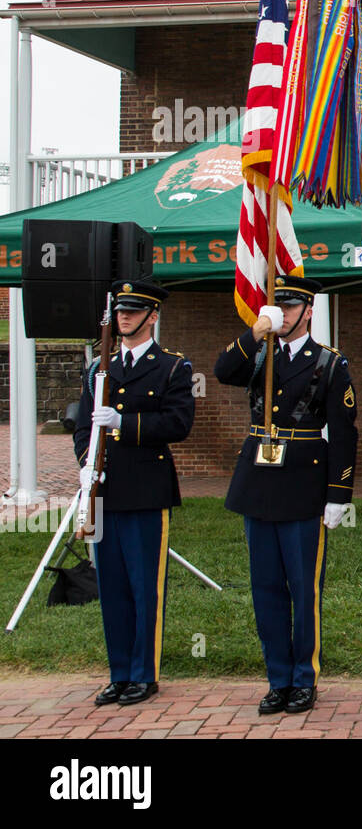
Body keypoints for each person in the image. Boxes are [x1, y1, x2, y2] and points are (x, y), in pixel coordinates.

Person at [214, 275, 358, 715]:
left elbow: (345, 434)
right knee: (265, 587)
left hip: (303, 484)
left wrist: (339, 493)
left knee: (303, 588)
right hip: (258, 483)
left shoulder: (329, 362)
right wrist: (257, 330)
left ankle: (303, 678)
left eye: (291, 307)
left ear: (309, 311)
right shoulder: (259, 352)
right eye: (278, 306)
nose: (283, 314)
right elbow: (223, 371)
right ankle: (277, 678)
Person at [74, 278, 195, 707]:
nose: (124, 318)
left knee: (144, 587)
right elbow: (82, 425)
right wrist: (87, 464)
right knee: (112, 587)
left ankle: (144, 674)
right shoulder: (99, 367)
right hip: (105, 490)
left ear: (152, 316)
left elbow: (178, 423)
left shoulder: (172, 367)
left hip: (145, 489)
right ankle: (119, 672)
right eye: (121, 311)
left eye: (133, 311)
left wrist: (124, 424)